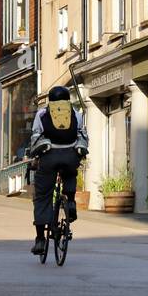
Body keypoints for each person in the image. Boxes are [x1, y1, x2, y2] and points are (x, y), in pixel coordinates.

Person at [28, 85, 89, 255]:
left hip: (49, 156)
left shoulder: (42, 113)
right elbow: (82, 135)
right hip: (70, 154)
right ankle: (70, 201)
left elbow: (35, 135)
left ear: (50, 100)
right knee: (70, 172)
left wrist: (34, 155)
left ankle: (40, 240)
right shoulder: (75, 112)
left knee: (42, 197)